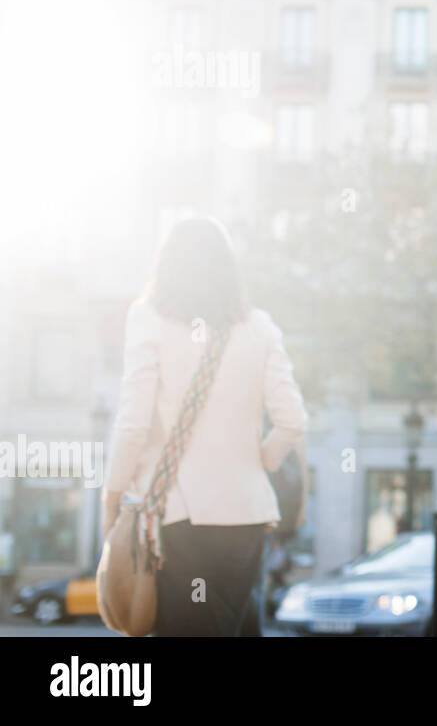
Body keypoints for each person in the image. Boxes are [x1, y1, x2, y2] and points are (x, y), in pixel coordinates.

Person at [102, 216, 308, 636]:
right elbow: (293, 420)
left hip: (182, 518)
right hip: (247, 518)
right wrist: (259, 461)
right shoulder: (259, 328)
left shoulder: (147, 318)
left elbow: (133, 424)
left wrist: (112, 498)